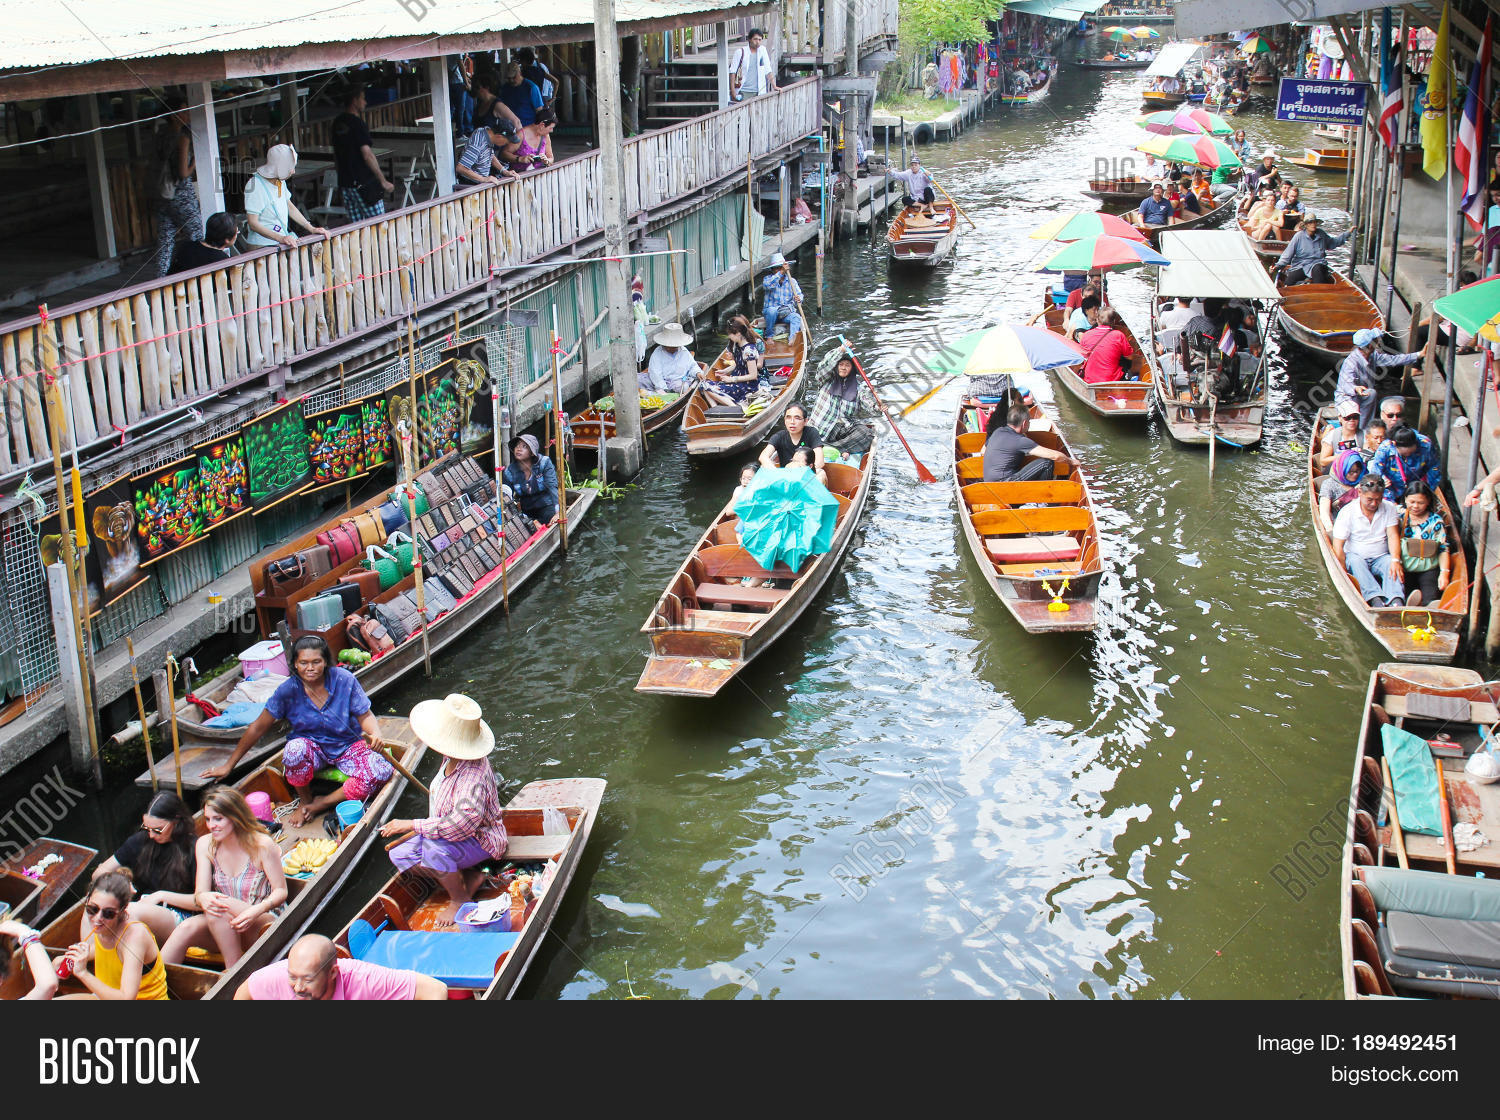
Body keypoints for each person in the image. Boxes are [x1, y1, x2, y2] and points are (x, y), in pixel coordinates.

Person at [202, 636, 392, 823]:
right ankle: (305, 800)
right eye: (303, 663)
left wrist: (375, 734)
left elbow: (365, 715)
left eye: (316, 662)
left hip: (348, 745)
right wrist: (229, 765)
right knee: (293, 750)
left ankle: (321, 803)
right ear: (295, 664)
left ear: (325, 662)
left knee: (380, 771)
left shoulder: (344, 679)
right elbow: (258, 727)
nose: (310, 668)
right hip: (313, 750)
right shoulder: (287, 690)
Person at [380, 694, 508, 926]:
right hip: (449, 833)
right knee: (399, 854)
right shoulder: (451, 756)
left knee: (433, 850)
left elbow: (460, 826)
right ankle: (467, 876)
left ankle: (459, 899)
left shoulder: (472, 775)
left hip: (481, 838)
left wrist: (412, 825)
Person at [162, 787, 286, 968]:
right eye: (208, 819)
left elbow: (281, 890)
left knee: (216, 905)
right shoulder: (205, 844)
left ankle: (232, 969)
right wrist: (202, 897)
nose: (211, 825)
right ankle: (155, 980)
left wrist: (255, 911)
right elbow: (200, 894)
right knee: (186, 927)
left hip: (262, 919)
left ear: (235, 817)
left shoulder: (262, 845)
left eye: (218, 819)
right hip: (223, 923)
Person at [90, 791, 199, 946]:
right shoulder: (140, 840)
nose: (151, 835)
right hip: (141, 906)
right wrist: (120, 883)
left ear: (176, 821)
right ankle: (88, 953)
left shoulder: (194, 848)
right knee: (92, 908)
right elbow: (99, 873)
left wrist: (161, 896)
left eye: (158, 829)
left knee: (130, 913)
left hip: (179, 915)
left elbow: (200, 900)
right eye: (147, 828)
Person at [60, 870, 169, 999]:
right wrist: (70, 958)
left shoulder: (135, 936)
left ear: (122, 911)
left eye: (108, 913)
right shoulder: (103, 926)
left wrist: (83, 973)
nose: (98, 918)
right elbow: (107, 952)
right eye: (92, 909)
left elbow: (126, 998)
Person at [236, 933, 447, 1000]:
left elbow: (435, 990)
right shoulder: (276, 976)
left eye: (308, 979)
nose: (298, 988)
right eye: (293, 977)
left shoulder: (364, 979)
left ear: (332, 973)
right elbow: (244, 992)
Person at [1331, 474, 1405, 608]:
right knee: (1356, 562)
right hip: (1355, 557)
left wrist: (1396, 559)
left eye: (1378, 499)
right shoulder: (1348, 512)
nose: (1374, 504)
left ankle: (1395, 600)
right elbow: (1338, 546)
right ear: (1360, 492)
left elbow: (1393, 536)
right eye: (1369, 499)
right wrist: (1343, 574)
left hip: (1380, 557)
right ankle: (1375, 599)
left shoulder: (1389, 508)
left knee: (1390, 562)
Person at [152, 95, 202, 277]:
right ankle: (196, 274)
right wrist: (195, 161)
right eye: (184, 111)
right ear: (174, 116)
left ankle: (160, 280)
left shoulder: (160, 135)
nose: (188, 115)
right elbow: (183, 173)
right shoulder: (182, 138)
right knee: (197, 235)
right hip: (181, 195)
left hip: (162, 194)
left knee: (165, 240)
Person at [1335, 328, 1423, 429]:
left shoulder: (1373, 355)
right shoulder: (1351, 363)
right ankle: (1364, 430)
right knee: (1371, 394)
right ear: (1370, 346)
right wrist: (1356, 388)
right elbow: (1346, 385)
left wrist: (1418, 355)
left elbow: (1393, 360)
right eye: (1375, 341)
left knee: (1399, 400)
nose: (1378, 342)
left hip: (1364, 396)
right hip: (1348, 398)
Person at [243, 145, 329, 248]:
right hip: (261, 246)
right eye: (290, 168)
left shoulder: (280, 180)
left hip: (280, 241)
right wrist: (281, 238)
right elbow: (253, 223)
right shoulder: (255, 185)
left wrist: (311, 228)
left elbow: (289, 206)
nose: (293, 171)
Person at [332, 86, 396, 222]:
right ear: (354, 100)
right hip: (363, 183)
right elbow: (367, 155)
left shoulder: (337, 123)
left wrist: (340, 179)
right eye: (363, 98)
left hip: (346, 184)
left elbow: (336, 155)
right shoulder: (358, 124)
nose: (365, 102)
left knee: (356, 227)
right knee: (378, 224)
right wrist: (383, 181)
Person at [982, 406, 1077, 483]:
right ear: (1024, 423)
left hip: (989, 483)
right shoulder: (1020, 440)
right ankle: (1042, 498)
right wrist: (1071, 461)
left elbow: (983, 451)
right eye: (1029, 422)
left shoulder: (998, 431)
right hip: (1004, 484)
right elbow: (1056, 456)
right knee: (1046, 463)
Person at [1397, 480, 1452, 607]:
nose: (1415, 506)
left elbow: (1443, 549)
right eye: (1412, 502)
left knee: (1430, 598)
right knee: (1406, 593)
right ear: (1405, 499)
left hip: (1428, 568)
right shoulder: (1398, 515)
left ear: (1428, 502)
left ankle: (1428, 605)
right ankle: (1411, 604)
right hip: (1405, 567)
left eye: (1420, 503)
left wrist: (1444, 573)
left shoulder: (1435, 522)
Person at [1368, 424, 1442, 504]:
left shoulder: (1426, 444)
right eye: (1404, 454)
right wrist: (1390, 501)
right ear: (1394, 444)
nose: (1408, 456)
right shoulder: (1385, 449)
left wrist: (1427, 492)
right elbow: (1375, 475)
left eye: (1411, 453)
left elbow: (1434, 469)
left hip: (1415, 487)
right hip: (1392, 487)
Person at [760, 403, 827, 486]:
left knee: (821, 473)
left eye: (797, 418)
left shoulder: (811, 433)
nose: (792, 422)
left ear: (805, 421)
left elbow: (820, 462)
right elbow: (763, 456)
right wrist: (776, 473)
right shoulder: (779, 436)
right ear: (784, 420)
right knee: (763, 468)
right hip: (785, 477)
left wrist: (800, 475)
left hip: (806, 478)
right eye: (788, 417)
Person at [1273, 214, 1351, 286]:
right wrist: (1278, 266)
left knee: (1317, 268)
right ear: (1306, 225)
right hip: (1302, 265)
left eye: (1314, 222)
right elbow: (1287, 254)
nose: (1313, 225)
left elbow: (1333, 243)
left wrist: (1347, 233)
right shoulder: (1298, 236)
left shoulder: (1321, 234)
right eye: (1310, 223)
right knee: (1289, 281)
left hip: (1319, 265)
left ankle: (1319, 291)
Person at [704, 316, 763, 407]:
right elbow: (739, 365)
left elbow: (753, 375)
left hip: (746, 387)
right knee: (703, 386)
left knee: (707, 387)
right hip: (737, 383)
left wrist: (732, 379)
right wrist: (725, 371)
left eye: (730, 334)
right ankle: (716, 408)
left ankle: (733, 407)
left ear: (738, 334)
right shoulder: (738, 345)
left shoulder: (748, 351)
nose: (729, 336)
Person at [502, 433, 560, 525]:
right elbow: (506, 494)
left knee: (550, 518)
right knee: (524, 525)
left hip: (546, 506)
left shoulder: (544, 463)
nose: (519, 449)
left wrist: (558, 512)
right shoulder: (509, 472)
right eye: (517, 446)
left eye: (524, 446)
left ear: (532, 452)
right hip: (526, 511)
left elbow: (552, 487)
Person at [806, 351, 866, 435]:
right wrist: (840, 350)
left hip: (841, 431)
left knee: (865, 433)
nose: (843, 368)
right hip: (817, 430)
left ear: (852, 369)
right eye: (841, 364)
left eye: (847, 365)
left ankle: (837, 444)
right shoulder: (826, 380)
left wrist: (878, 407)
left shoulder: (858, 389)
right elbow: (823, 367)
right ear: (836, 367)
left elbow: (868, 403)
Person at [167, 211, 237, 275]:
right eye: (237, 233)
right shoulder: (223, 262)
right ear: (227, 240)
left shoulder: (186, 247)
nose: (236, 235)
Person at [455, 119, 520, 189]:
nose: (506, 144)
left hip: (479, 182)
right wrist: (483, 179)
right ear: (499, 136)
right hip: (470, 185)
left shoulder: (486, 133)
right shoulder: (478, 144)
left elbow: (490, 155)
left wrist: (504, 171)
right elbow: (461, 168)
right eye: (507, 142)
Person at [641, 322, 699, 394]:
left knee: (684, 387)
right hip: (659, 381)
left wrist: (697, 373)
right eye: (668, 346)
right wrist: (664, 389)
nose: (670, 348)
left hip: (678, 381)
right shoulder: (657, 353)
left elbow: (692, 366)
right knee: (639, 380)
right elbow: (655, 374)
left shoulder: (684, 351)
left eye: (674, 346)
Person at [1319, 447, 1367, 531]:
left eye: (1357, 471)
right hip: (1340, 526)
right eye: (1350, 472)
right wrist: (1330, 529)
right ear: (1343, 469)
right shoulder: (1329, 484)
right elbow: (1324, 512)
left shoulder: (1365, 482)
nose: (1355, 475)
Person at [1080, 309, 1135, 384]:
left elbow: (1082, 357)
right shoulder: (1118, 335)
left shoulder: (1086, 335)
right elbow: (1130, 357)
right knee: (1127, 365)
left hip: (1089, 380)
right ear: (1114, 321)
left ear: (1097, 319)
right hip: (1110, 381)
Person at [761, 253, 804, 341]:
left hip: (786, 313)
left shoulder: (792, 281)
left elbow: (799, 294)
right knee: (772, 311)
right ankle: (769, 336)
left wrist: (799, 299)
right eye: (777, 268)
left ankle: (792, 340)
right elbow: (768, 286)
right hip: (771, 314)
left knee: (796, 317)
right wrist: (780, 273)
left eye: (781, 268)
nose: (780, 270)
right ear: (772, 270)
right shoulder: (767, 279)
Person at [730, 28, 778, 101]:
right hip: (743, 90)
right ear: (749, 39)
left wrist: (774, 86)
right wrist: (733, 92)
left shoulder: (763, 50)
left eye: (760, 40)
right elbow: (732, 72)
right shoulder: (740, 52)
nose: (757, 42)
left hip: (759, 91)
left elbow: (768, 69)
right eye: (755, 39)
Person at [1316, 398, 1363, 472]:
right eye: (1347, 418)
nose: (1352, 420)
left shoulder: (1364, 435)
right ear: (1340, 418)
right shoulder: (1332, 436)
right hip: (1336, 472)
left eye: (1355, 417)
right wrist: (1345, 456)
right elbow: (1323, 461)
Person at [507, 107, 557, 172]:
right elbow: (503, 154)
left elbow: (551, 158)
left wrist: (547, 161)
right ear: (542, 125)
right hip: (519, 175)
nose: (552, 131)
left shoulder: (545, 135)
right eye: (551, 128)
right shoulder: (521, 135)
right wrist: (520, 159)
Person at [496, 62, 544, 127]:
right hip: (509, 127)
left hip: (527, 127)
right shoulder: (505, 88)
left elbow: (539, 111)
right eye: (509, 78)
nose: (511, 80)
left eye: (514, 77)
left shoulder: (531, 87)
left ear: (520, 73)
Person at [447, 54, 473, 136]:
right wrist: (466, 83)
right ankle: (460, 133)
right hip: (458, 83)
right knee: (460, 110)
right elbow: (461, 65)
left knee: (450, 109)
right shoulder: (456, 50)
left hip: (448, 83)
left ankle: (450, 133)